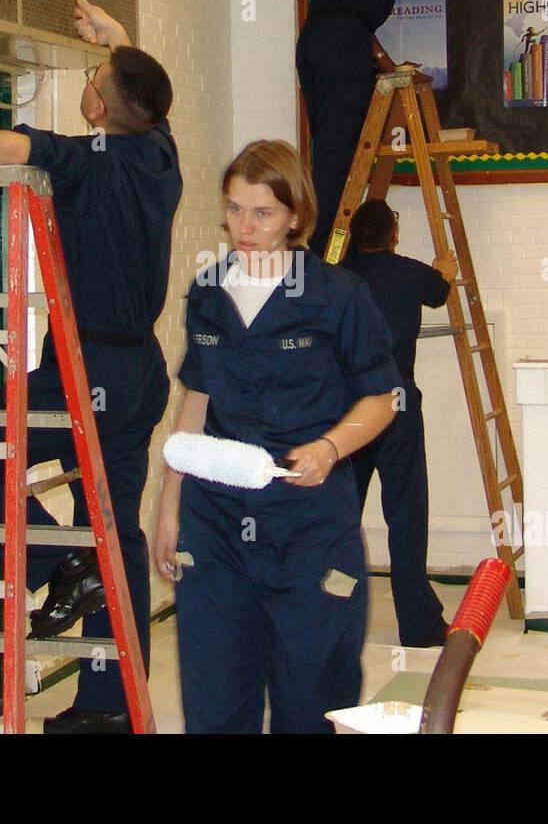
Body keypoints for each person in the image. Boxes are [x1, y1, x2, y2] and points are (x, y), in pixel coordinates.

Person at [0, 1, 181, 734]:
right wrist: (120, 42)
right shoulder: (159, 156)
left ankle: (53, 560)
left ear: (100, 105)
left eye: (93, 75)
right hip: (138, 370)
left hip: (87, 369)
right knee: (115, 528)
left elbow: (11, 141)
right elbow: (144, 96)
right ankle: (108, 701)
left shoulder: (82, 158)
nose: (88, 79)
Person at [154, 140, 401, 733]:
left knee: (310, 698)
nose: (244, 226)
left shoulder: (339, 296)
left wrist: (331, 445)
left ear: (295, 216)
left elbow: (384, 397)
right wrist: (169, 507)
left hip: (308, 521)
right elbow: (196, 402)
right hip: (215, 520)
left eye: (261, 212)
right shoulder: (208, 292)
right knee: (215, 697)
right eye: (234, 209)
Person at [296, 0, 531, 256]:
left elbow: (348, 19)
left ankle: (328, 243)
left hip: (318, 42)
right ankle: (328, 252)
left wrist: (386, 64)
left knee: (329, 145)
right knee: (342, 147)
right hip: (340, 45)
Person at [340, 200, 457, 647]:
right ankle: (419, 625)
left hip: (348, 410)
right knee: (406, 514)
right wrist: (443, 266)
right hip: (397, 404)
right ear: (394, 235)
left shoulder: (336, 277)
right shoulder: (411, 274)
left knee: (340, 515)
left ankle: (332, 612)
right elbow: (438, 291)